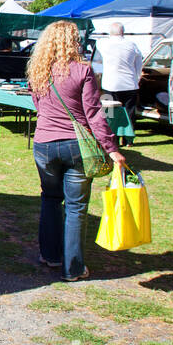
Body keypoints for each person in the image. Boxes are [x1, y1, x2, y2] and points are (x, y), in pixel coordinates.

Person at [28, 21, 127, 281]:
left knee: (50, 199)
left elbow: (38, 106)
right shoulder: (83, 70)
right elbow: (94, 114)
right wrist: (112, 148)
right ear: (74, 41)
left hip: (44, 144)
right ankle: (72, 268)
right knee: (75, 207)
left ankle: (50, 256)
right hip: (76, 146)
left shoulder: (38, 71)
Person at [96, 23, 144, 119]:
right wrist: (137, 78)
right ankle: (129, 131)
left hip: (110, 83)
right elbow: (138, 63)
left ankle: (110, 130)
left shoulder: (103, 44)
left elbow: (98, 43)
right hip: (129, 83)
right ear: (123, 32)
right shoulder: (132, 45)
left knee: (109, 112)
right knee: (129, 112)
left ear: (110, 32)